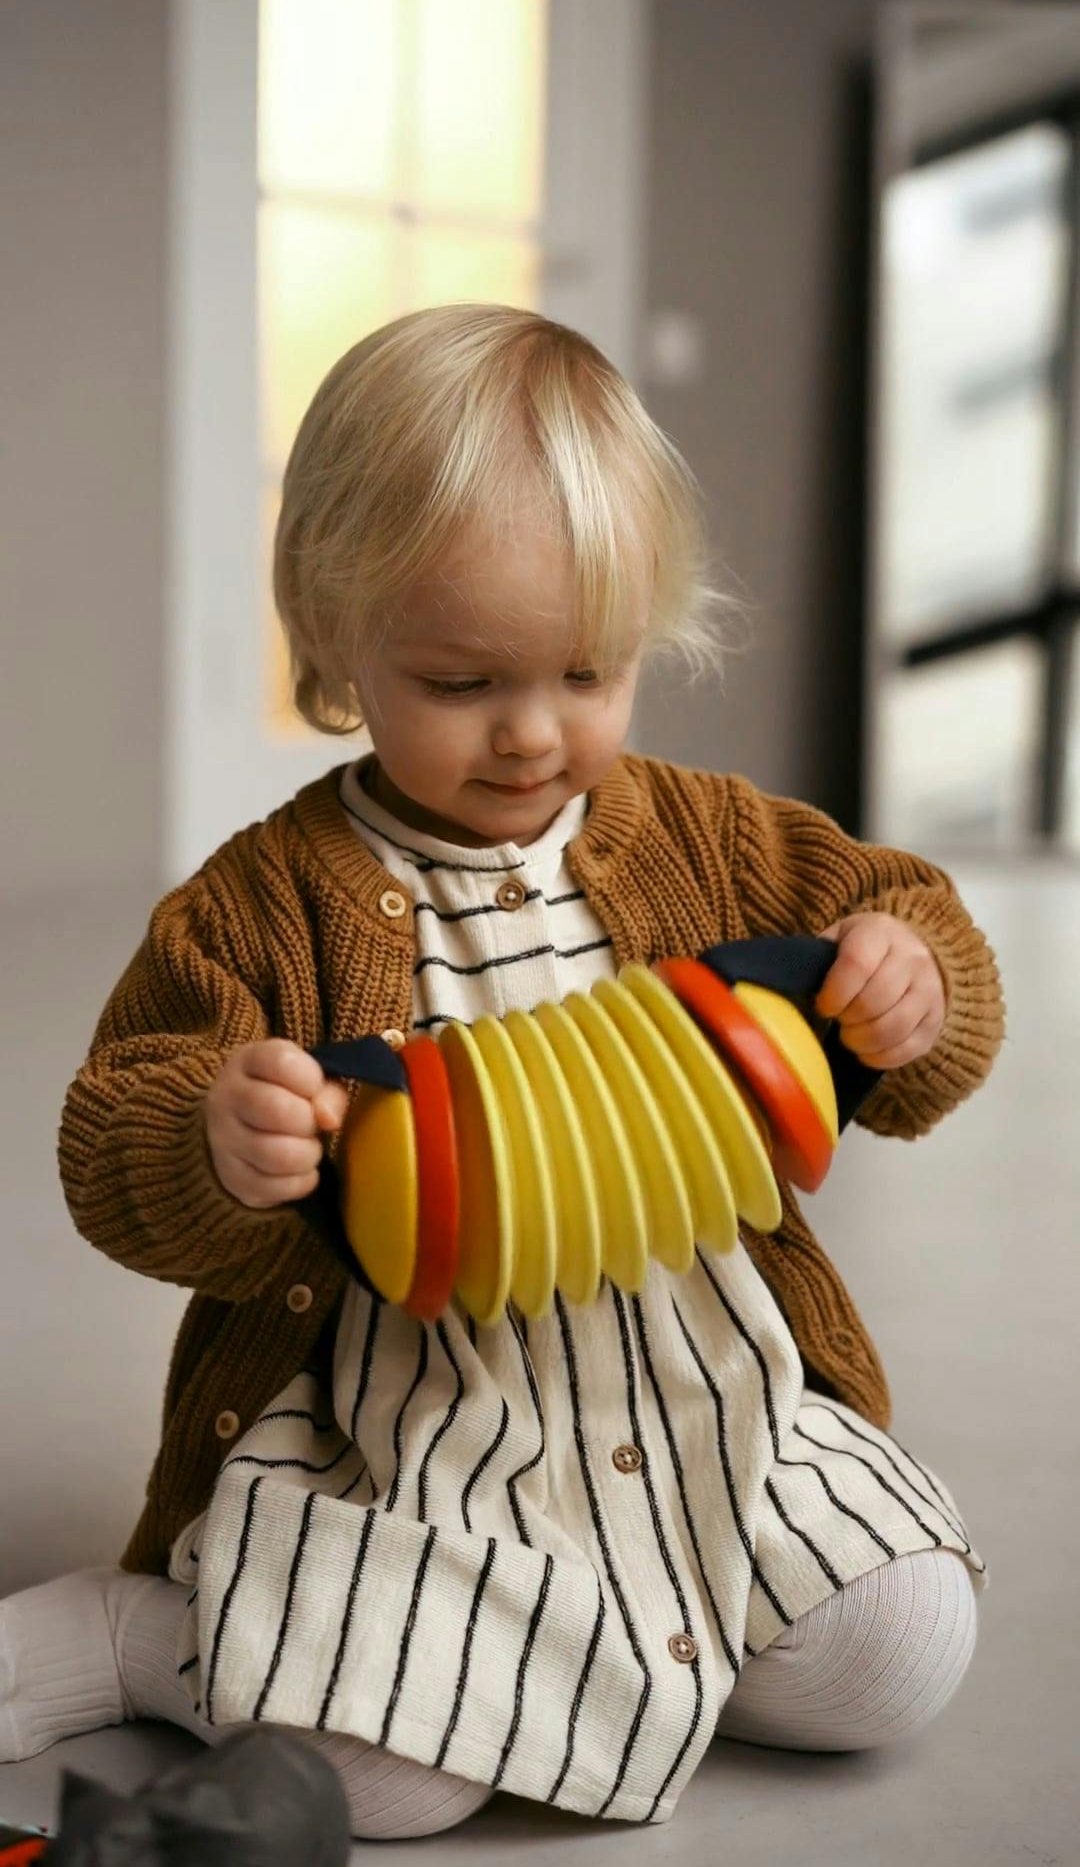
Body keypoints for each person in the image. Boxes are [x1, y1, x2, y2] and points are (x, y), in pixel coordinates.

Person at [0, 306, 1004, 1841]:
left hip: (703, 1378)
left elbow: (918, 937)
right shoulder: (255, 903)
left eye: (589, 672)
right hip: (412, 1422)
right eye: (465, 683)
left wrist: (913, 981)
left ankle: (577, 1640)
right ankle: (156, 1635)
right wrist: (215, 1140)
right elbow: (108, 1141)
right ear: (335, 643)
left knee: (897, 1655)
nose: (534, 732)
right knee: (387, 1789)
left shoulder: (712, 838)